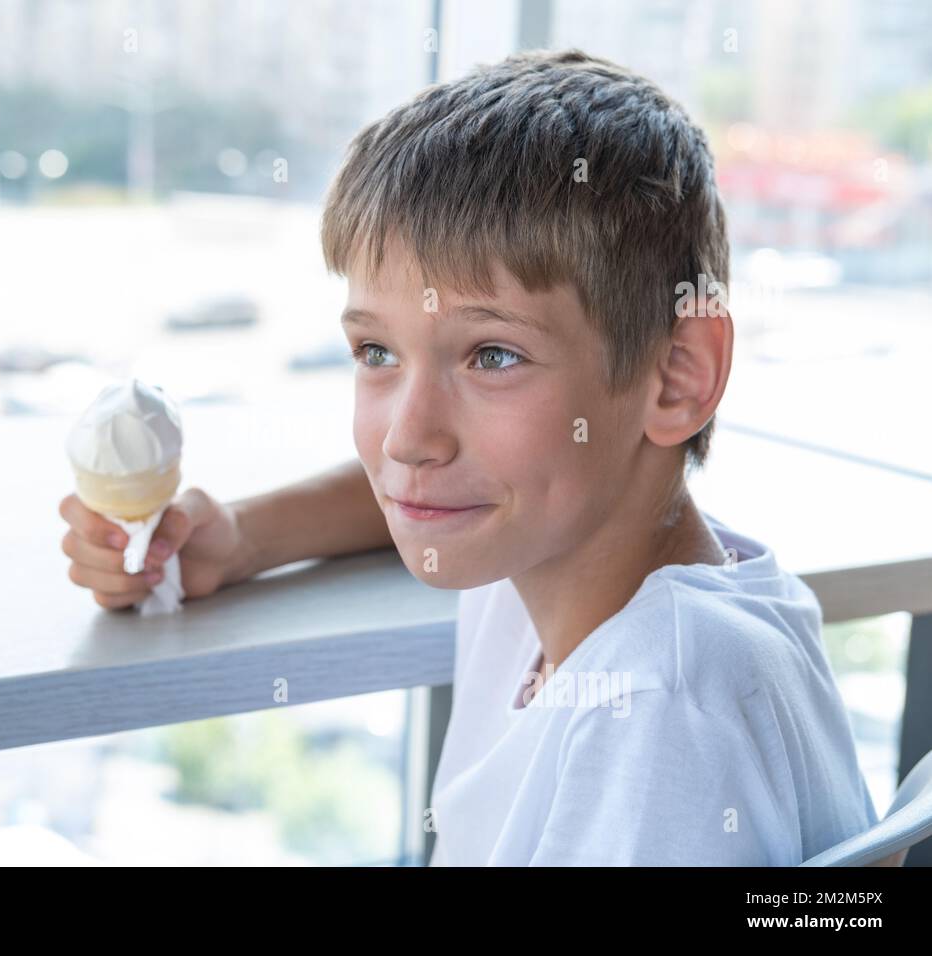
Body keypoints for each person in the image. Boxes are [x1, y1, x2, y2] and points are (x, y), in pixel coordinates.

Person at [58, 49, 878, 865]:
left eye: (492, 356)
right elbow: (423, 483)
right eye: (377, 351)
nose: (408, 439)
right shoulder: (570, 543)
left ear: (677, 376)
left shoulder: (658, 714)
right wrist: (241, 537)